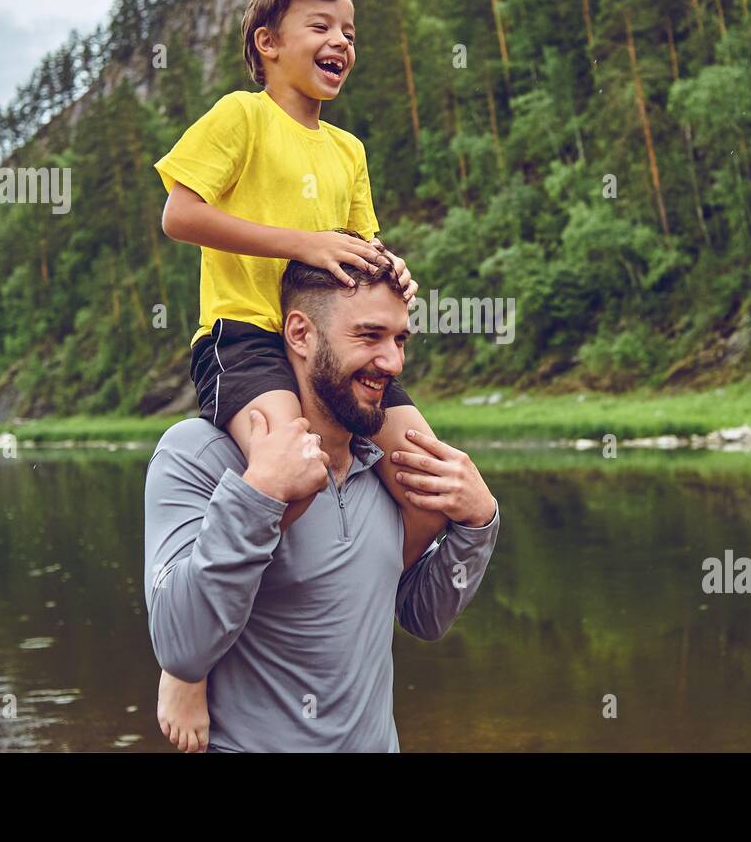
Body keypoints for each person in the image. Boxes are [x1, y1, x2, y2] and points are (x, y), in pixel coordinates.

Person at [152, 0, 450, 741]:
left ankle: (375, 606)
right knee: (293, 471)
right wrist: (301, 245)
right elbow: (180, 215)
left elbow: (358, 247)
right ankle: (186, 665)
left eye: (349, 31)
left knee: (428, 468)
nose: (340, 42)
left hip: (327, 342)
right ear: (267, 44)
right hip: (246, 337)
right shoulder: (240, 117)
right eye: (320, 26)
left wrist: (393, 274)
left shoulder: (347, 150)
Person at [143, 251, 502, 751]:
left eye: (399, 339)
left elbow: (424, 615)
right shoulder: (196, 454)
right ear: (300, 334)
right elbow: (181, 645)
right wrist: (259, 495)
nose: (393, 362)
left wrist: (477, 523)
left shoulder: (384, 461)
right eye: (369, 336)